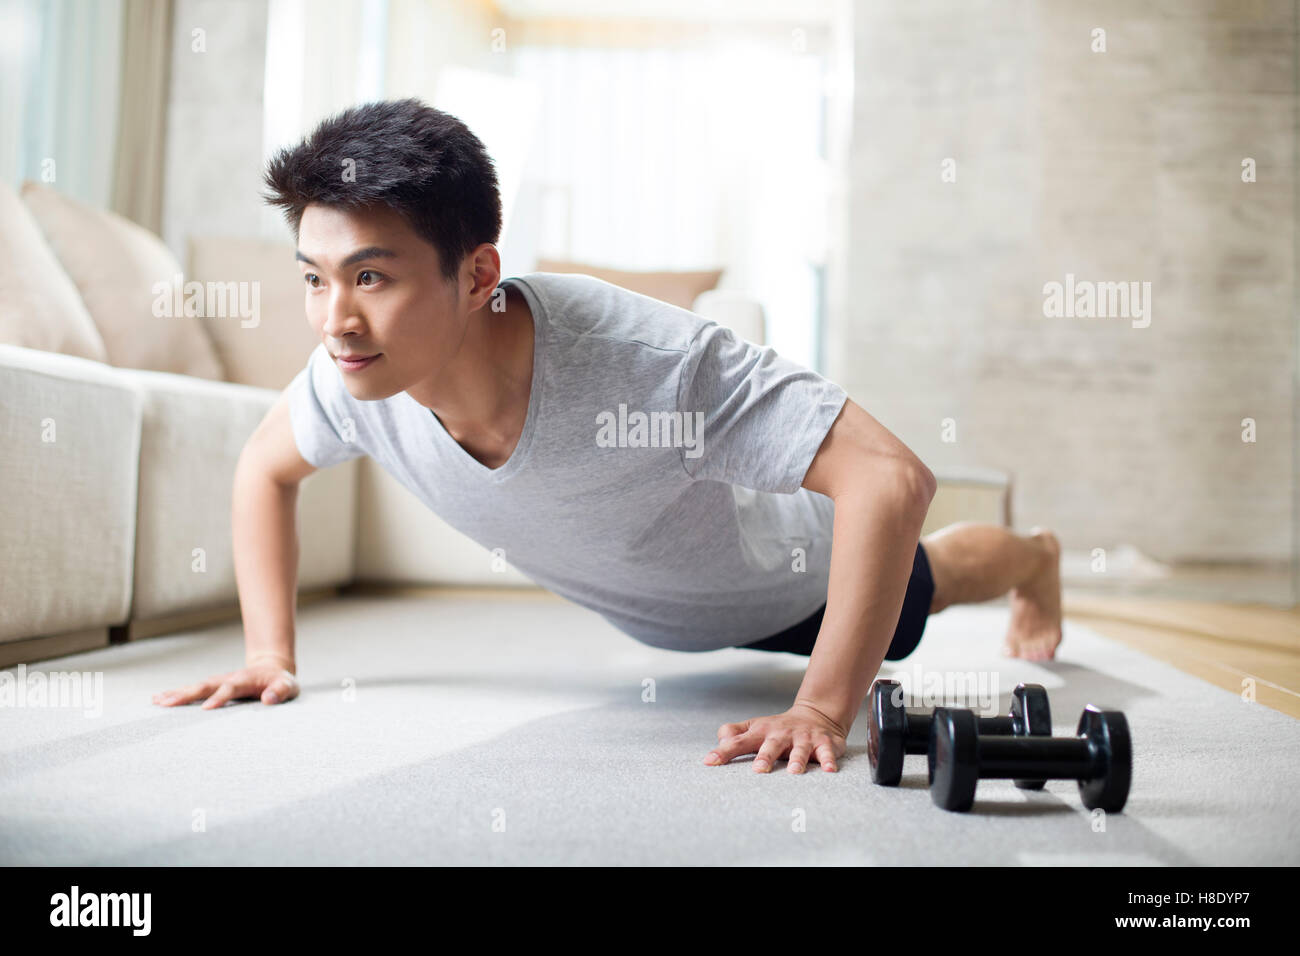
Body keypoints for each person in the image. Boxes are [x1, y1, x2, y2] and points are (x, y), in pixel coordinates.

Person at [153, 98, 1063, 776]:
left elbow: (892, 477)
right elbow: (263, 470)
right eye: (314, 278)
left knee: (935, 581)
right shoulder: (353, 379)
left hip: (794, 584)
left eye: (371, 277)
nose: (335, 320)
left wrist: (824, 710)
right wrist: (270, 652)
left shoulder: (649, 363)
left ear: (477, 277)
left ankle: (1036, 560)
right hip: (666, 617)